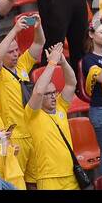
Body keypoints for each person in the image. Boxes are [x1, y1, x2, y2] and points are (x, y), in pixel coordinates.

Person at [25, 43, 82, 190]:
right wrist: (51, 63)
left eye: (54, 92)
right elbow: (38, 91)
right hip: (49, 179)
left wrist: (62, 62)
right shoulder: (33, 113)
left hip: (71, 175)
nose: (52, 96)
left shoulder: (60, 106)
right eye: (48, 93)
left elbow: (71, 83)